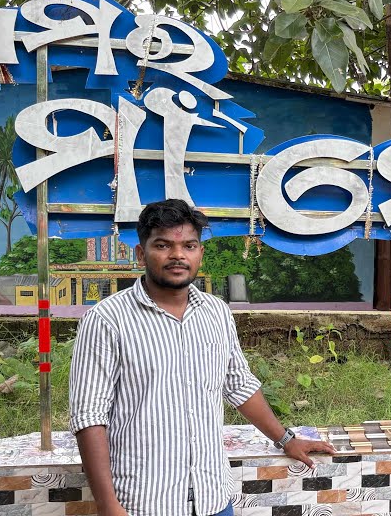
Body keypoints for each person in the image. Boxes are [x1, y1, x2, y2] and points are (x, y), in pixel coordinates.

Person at [70, 199, 334, 516]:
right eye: (163, 245)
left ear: (200, 253)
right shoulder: (106, 319)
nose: (178, 255)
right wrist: (108, 506)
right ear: (141, 253)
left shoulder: (216, 312)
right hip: (144, 501)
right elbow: (89, 417)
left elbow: (239, 385)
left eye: (189, 245)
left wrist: (286, 439)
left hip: (213, 497)